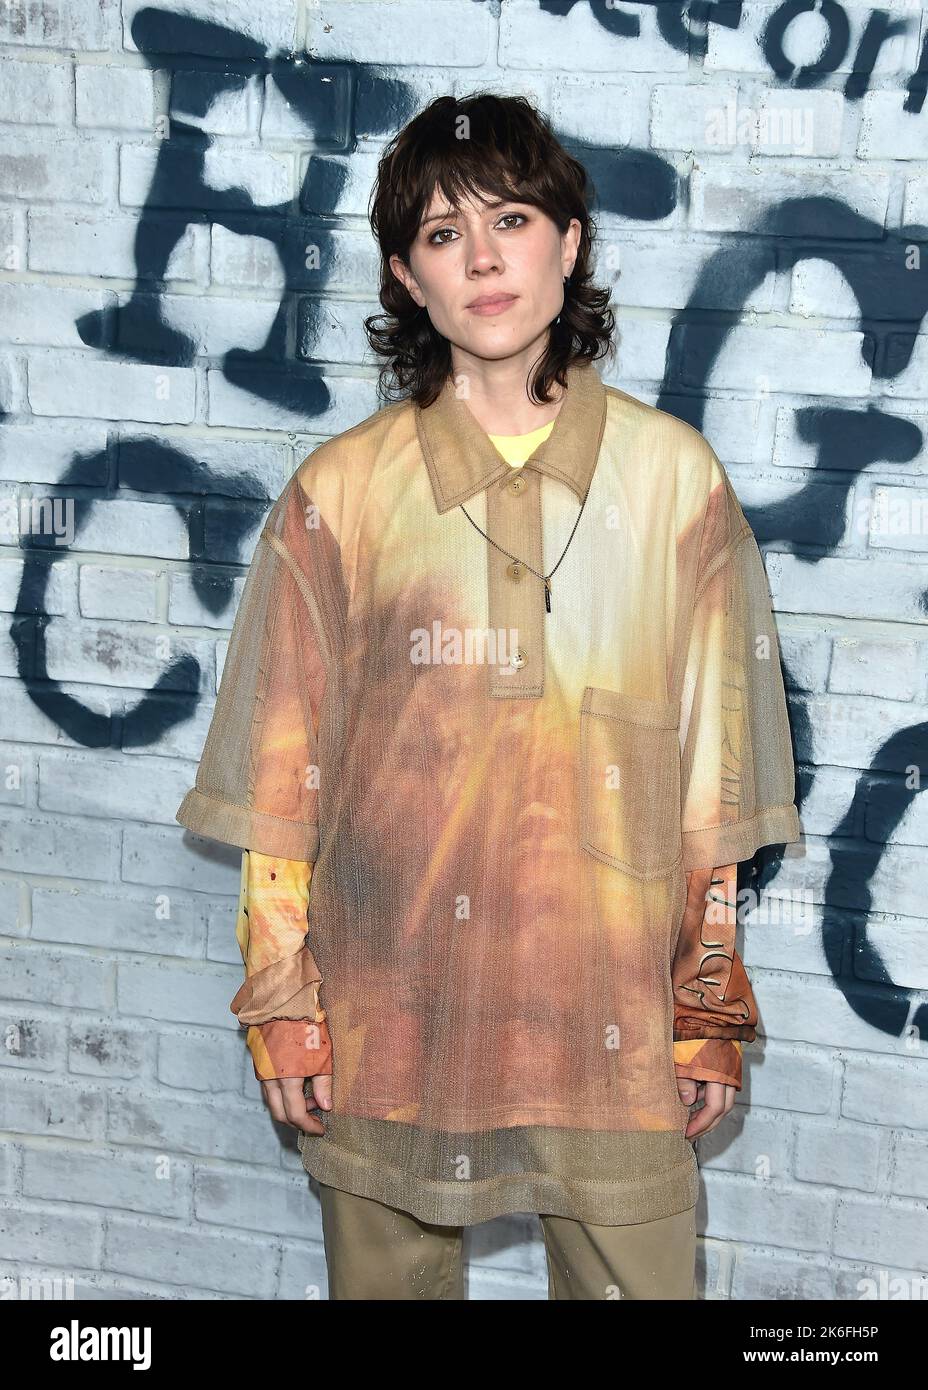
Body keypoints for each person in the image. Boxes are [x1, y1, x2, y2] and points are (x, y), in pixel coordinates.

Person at [175, 91, 802, 1300]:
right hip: (387, 1020)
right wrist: (282, 1001)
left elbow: (714, 775)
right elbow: (279, 780)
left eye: (510, 218)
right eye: (441, 236)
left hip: (609, 1025)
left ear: (568, 242)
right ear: (408, 279)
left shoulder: (676, 484)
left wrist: (707, 999)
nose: (484, 259)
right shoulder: (341, 495)